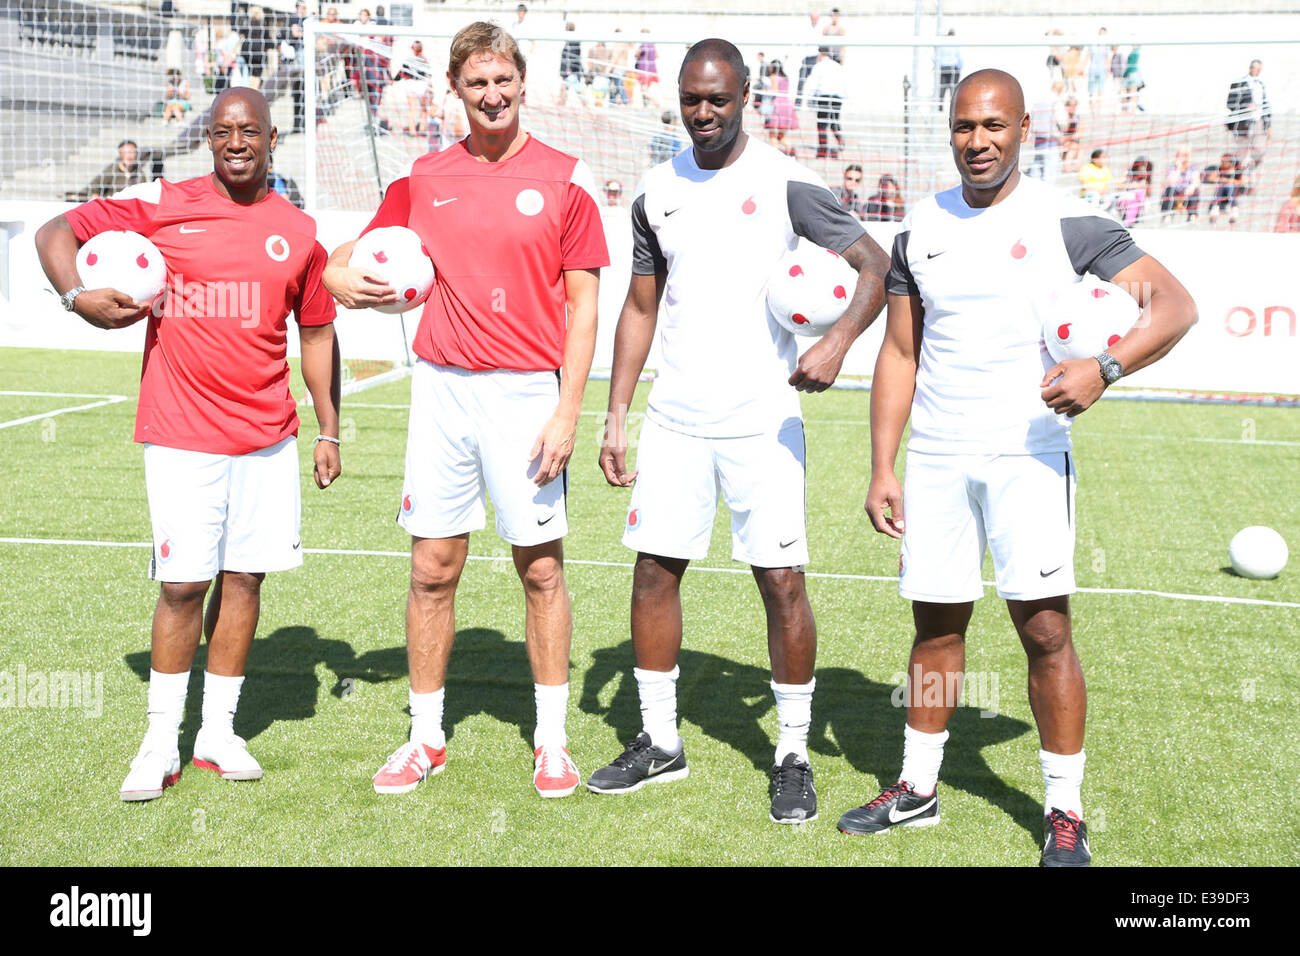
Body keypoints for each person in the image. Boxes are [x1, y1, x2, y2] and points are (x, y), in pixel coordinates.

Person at [838, 69, 1196, 866]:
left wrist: (1105, 367)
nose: (978, 141)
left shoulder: (1069, 223)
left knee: (1044, 630)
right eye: (965, 126)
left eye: (993, 126)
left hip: (1027, 455)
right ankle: (918, 786)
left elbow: (1173, 306)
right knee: (935, 627)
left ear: (1023, 129)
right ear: (950, 131)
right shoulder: (919, 227)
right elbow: (901, 350)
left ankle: (1063, 809)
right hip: (934, 456)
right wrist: (881, 465)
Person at [588, 38, 890, 824]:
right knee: (654, 572)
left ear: (746, 94)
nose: (704, 112)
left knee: (782, 582)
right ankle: (659, 742)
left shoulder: (787, 181)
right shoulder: (656, 191)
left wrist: (835, 342)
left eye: (718, 98)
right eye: (691, 98)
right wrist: (616, 412)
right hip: (674, 420)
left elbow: (875, 267)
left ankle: (791, 752)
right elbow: (642, 307)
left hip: (762, 420)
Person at [322, 22, 608, 800]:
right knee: (431, 569)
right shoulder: (423, 177)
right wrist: (345, 282)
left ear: (523, 83)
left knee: (541, 569)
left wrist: (567, 411)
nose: (491, 95)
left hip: (527, 394)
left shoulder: (567, 178)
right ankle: (424, 738)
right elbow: (345, 260)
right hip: (442, 390)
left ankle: (551, 742)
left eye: (503, 81)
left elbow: (585, 306)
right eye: (476, 83)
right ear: (455, 87)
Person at [34, 87, 342, 802]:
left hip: (268, 437)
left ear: (271, 139)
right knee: (181, 587)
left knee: (244, 581)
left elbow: (318, 333)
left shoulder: (299, 230)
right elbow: (56, 230)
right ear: (209, 138)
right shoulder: (165, 204)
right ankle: (157, 741)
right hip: (180, 433)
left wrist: (327, 426)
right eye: (223, 131)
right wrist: (75, 296)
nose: (236, 142)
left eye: (250, 131)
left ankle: (216, 734)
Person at [1226, 59, 1270, 170]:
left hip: (1258, 121)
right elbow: (1230, 104)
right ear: (1251, 68)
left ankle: (1251, 171)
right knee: (1242, 152)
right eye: (1256, 69)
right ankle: (1243, 175)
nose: (1258, 71)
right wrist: (1245, 107)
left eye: (1260, 69)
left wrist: (1268, 125)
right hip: (1243, 122)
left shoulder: (1261, 84)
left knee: (1260, 149)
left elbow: (1266, 105)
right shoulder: (1239, 84)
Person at [75, 140, 151, 200]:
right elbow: (92, 189)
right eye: (126, 153)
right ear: (120, 154)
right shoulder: (111, 171)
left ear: (136, 154)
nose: (129, 156)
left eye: (132, 152)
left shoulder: (139, 173)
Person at [806, 46, 846, 159]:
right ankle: (840, 140)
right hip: (837, 97)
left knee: (822, 125)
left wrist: (810, 98)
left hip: (824, 96)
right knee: (834, 121)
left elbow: (814, 83)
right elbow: (843, 83)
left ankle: (823, 150)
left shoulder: (818, 66)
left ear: (820, 54)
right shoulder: (837, 66)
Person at [762, 60, 797, 156]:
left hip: (777, 105)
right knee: (781, 134)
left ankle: (776, 155)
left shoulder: (774, 77)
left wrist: (764, 91)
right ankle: (790, 149)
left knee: (772, 134)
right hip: (787, 104)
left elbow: (774, 91)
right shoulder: (785, 78)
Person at [1159, 146, 1200, 223]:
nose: (1183, 157)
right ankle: (1167, 215)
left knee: (1195, 190)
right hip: (1175, 191)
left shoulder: (1193, 167)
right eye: (1180, 155)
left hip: (1187, 192)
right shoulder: (1172, 167)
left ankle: (1192, 215)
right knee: (1170, 189)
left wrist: (1191, 187)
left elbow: (1196, 181)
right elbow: (1171, 181)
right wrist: (1178, 168)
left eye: (1185, 155)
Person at [936, 29, 961, 113]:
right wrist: (959, 68)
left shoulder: (942, 44)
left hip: (943, 68)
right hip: (953, 68)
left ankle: (939, 108)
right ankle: (953, 109)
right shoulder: (955, 44)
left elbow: (936, 56)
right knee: (953, 89)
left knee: (942, 89)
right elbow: (959, 57)